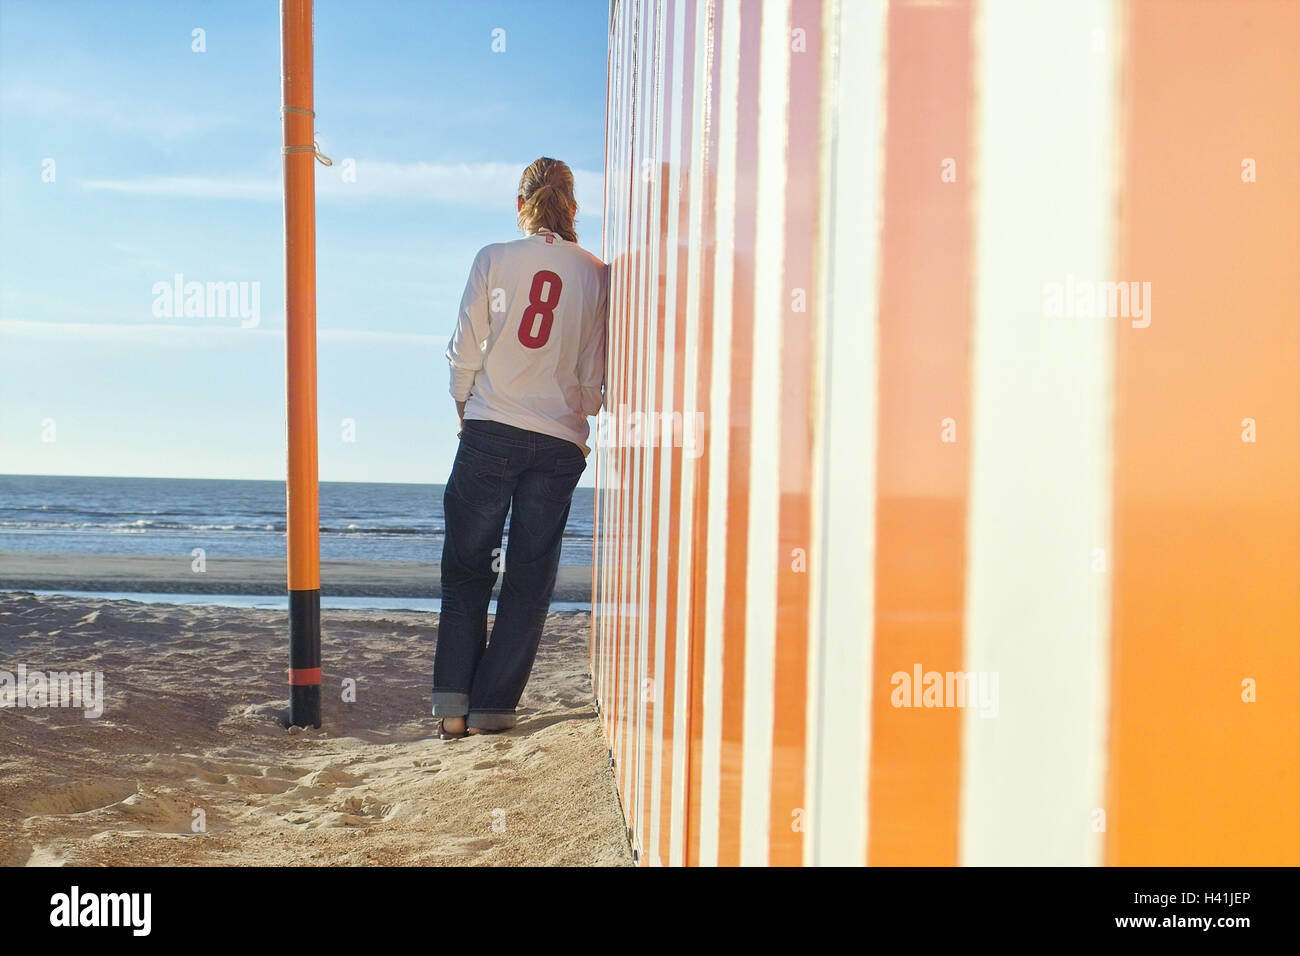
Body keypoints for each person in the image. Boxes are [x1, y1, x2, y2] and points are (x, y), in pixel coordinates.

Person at [431, 157, 608, 739]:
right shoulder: (595, 273)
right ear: (572, 207)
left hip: (491, 430)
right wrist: (570, 415)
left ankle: (454, 709)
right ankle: (491, 711)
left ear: (520, 205)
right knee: (529, 582)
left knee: (466, 571)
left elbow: (464, 350)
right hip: (558, 442)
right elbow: (590, 376)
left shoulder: (494, 257)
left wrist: (465, 408)